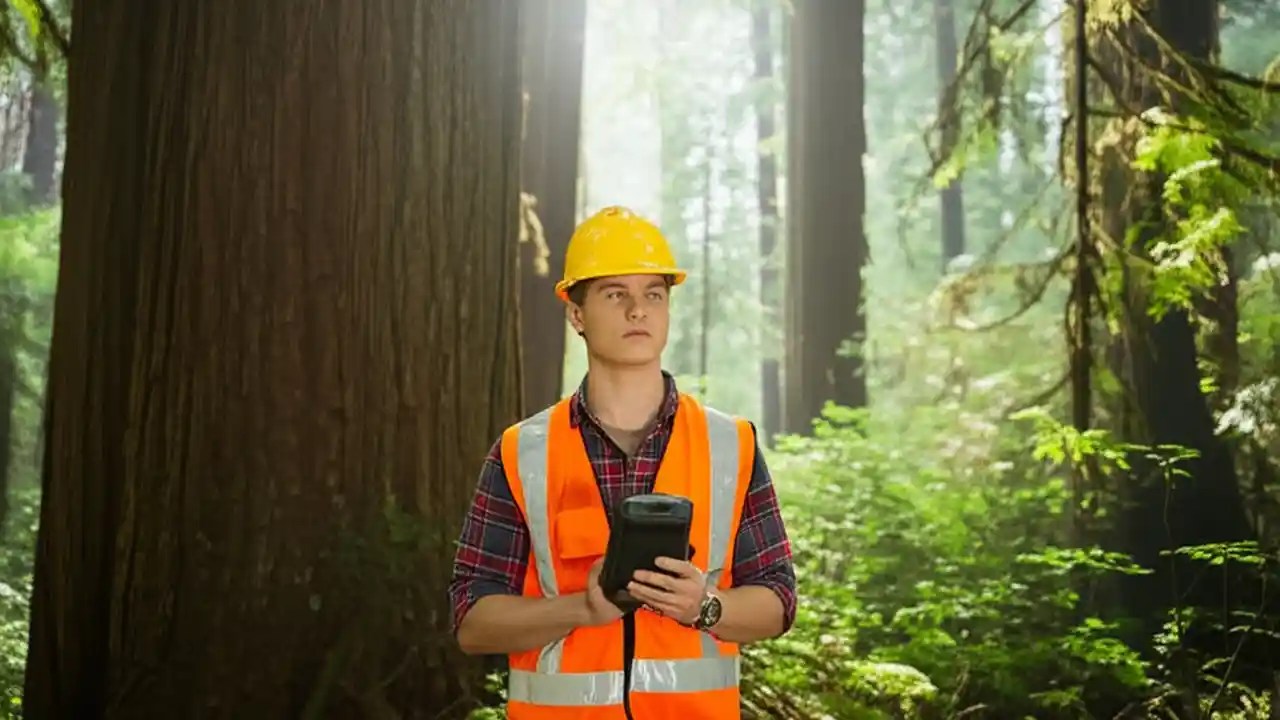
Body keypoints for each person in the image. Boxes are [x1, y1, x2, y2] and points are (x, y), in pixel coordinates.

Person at [448, 205, 796, 719]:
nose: (639, 310)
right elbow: (472, 622)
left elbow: (777, 601)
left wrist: (704, 606)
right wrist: (580, 610)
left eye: (653, 294)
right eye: (616, 294)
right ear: (577, 314)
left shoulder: (731, 443)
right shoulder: (522, 452)